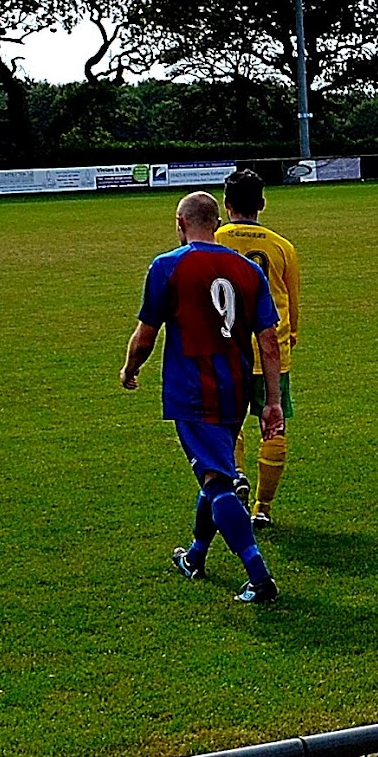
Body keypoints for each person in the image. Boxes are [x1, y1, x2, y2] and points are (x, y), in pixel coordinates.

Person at [119, 191, 283, 605]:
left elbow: (145, 335)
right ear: (216, 222)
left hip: (192, 391)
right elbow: (268, 341)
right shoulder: (247, 269)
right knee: (216, 473)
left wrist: (130, 369)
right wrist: (272, 400)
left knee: (217, 481)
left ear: (180, 223)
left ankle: (259, 576)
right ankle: (195, 555)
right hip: (235, 388)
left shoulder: (167, 266)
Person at [216, 168, 301, 527]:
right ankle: (263, 508)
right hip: (272, 351)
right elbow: (291, 306)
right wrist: (289, 338)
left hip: (225, 350)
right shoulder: (282, 246)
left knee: (225, 427)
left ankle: (236, 475)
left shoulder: (214, 239)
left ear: (226, 203)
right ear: (262, 203)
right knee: (274, 424)